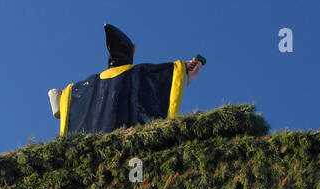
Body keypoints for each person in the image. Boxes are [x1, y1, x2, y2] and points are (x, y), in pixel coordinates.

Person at [48, 24, 204, 137]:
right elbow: (160, 80)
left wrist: (61, 99)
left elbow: (66, 96)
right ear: (132, 51)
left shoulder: (90, 85)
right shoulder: (137, 73)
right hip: (126, 144)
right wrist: (183, 69)